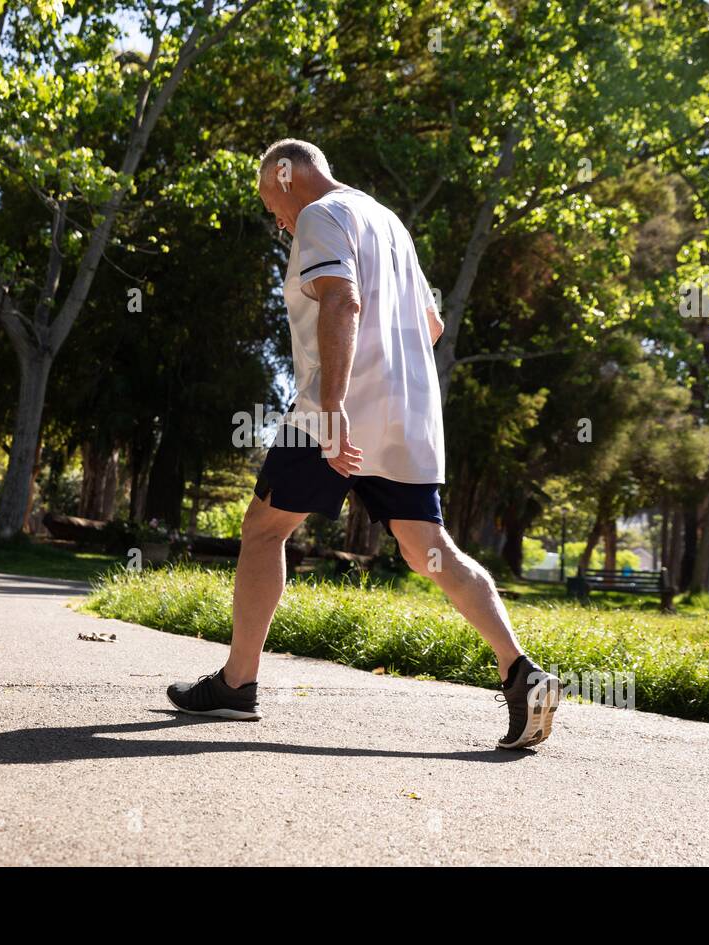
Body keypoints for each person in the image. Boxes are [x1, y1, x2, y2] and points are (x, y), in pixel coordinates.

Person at [166, 139, 561, 749]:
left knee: (264, 529)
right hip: (408, 417)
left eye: (273, 206)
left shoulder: (320, 215)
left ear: (287, 176)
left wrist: (335, 408)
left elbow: (342, 298)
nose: (279, 222)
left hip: (336, 410)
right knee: (430, 550)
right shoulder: (388, 222)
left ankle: (237, 686)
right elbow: (432, 325)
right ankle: (521, 672)